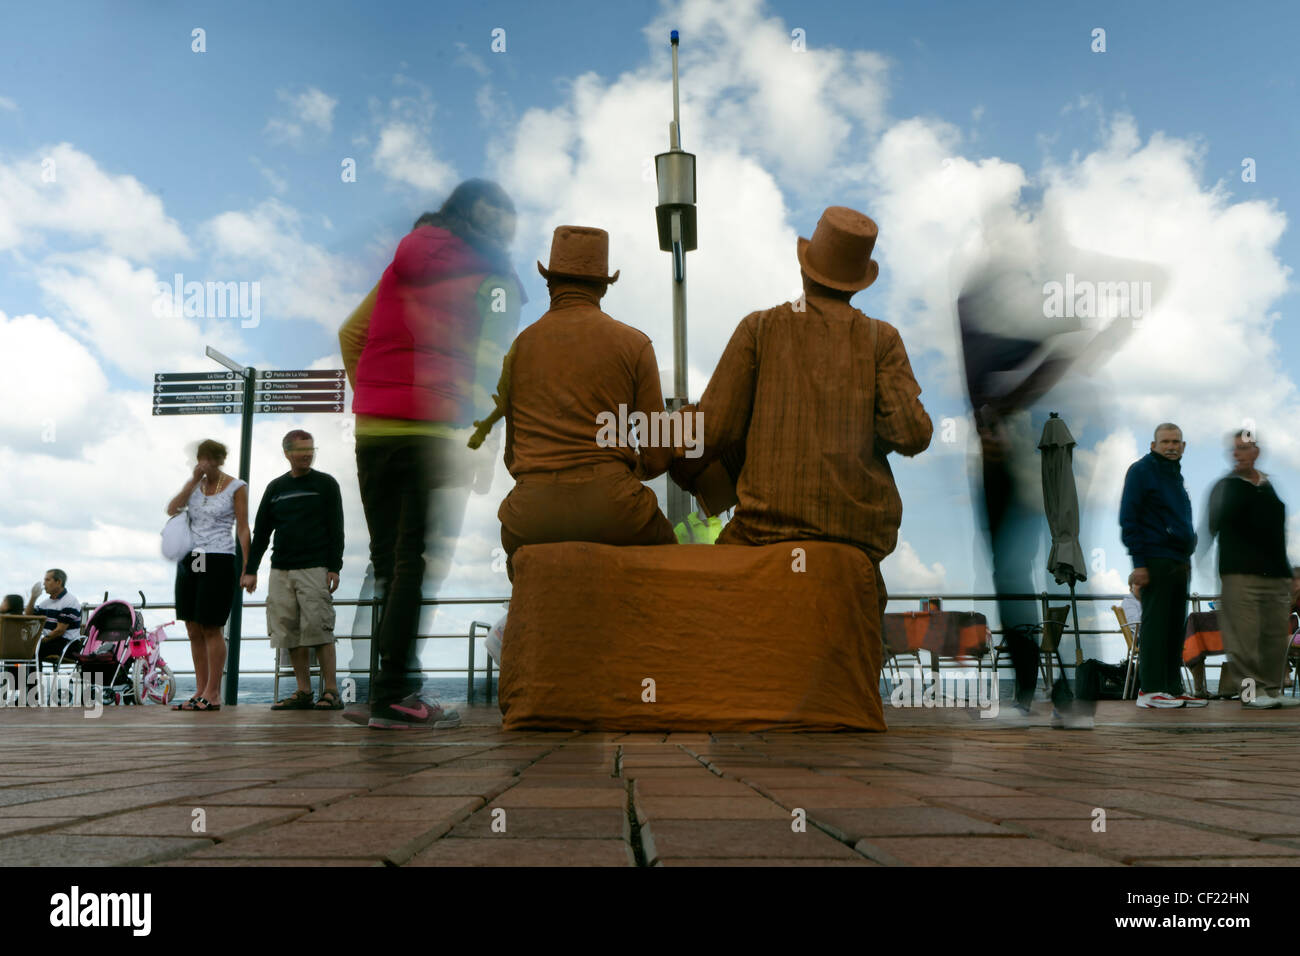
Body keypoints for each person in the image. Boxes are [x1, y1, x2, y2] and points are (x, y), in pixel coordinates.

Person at [669, 205, 931, 628]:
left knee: (697, 611)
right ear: (857, 285)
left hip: (763, 536)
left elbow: (710, 428)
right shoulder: (883, 340)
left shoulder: (761, 328)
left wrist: (667, 457)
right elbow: (913, 434)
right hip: (856, 542)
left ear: (806, 272)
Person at [338, 179, 523, 730]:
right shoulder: (498, 280)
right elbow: (492, 372)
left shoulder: (404, 262)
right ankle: (397, 696)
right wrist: (481, 446)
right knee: (415, 566)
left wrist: (377, 399)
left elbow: (351, 334)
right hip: (436, 434)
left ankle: (375, 690)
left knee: (387, 561)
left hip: (374, 433)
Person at [479, 225, 676, 579]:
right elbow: (659, 455)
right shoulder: (635, 344)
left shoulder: (519, 349)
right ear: (603, 286)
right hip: (615, 512)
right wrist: (624, 474)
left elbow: (512, 456)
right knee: (676, 574)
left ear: (550, 283)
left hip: (531, 517)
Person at [242, 430, 345, 710]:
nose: (307, 454)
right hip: (280, 570)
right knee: (288, 632)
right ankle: (303, 691)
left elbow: (337, 527)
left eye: (311, 449)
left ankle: (332, 692)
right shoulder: (275, 488)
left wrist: (334, 566)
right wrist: (251, 570)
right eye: (301, 450)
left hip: (315, 567)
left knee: (319, 629)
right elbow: (262, 532)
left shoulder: (326, 484)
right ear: (287, 453)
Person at [1204, 430, 1299, 709]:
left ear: (1256, 452)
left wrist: (1290, 573)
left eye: (1244, 448)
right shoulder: (1226, 485)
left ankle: (1271, 689)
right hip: (1239, 575)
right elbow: (1211, 526)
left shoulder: (1269, 486)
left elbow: (1278, 533)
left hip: (1276, 576)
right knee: (1244, 640)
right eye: (1235, 449)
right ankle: (1249, 693)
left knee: (1273, 637)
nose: (1238, 453)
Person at [1119, 423, 1206, 708]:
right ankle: (1150, 690)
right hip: (1155, 559)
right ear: (1153, 445)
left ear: (1183, 446)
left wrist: (1188, 551)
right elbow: (1129, 519)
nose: (1171, 446)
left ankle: (1171, 687)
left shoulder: (1176, 476)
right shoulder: (1142, 471)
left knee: (1173, 628)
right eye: (1165, 441)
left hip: (1179, 562)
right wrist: (1139, 563)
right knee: (1156, 626)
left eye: (1176, 441)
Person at [164, 439, 249, 711]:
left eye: (211, 459)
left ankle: (213, 693)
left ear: (220, 460)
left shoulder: (236, 486)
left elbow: (243, 528)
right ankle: (200, 690)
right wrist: (192, 480)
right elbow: (172, 508)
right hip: (192, 557)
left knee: (212, 625)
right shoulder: (195, 488)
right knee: (192, 625)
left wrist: (248, 567)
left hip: (220, 557)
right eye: (202, 458)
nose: (205, 463)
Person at [24, 570, 80, 662]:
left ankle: (27, 676)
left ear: (58, 582)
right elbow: (28, 616)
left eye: (47, 580)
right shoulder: (46, 603)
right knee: (16, 648)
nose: (44, 583)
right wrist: (33, 598)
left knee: (28, 650)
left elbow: (59, 631)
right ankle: (26, 675)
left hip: (67, 645)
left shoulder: (69, 601)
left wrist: (38, 643)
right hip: (52, 642)